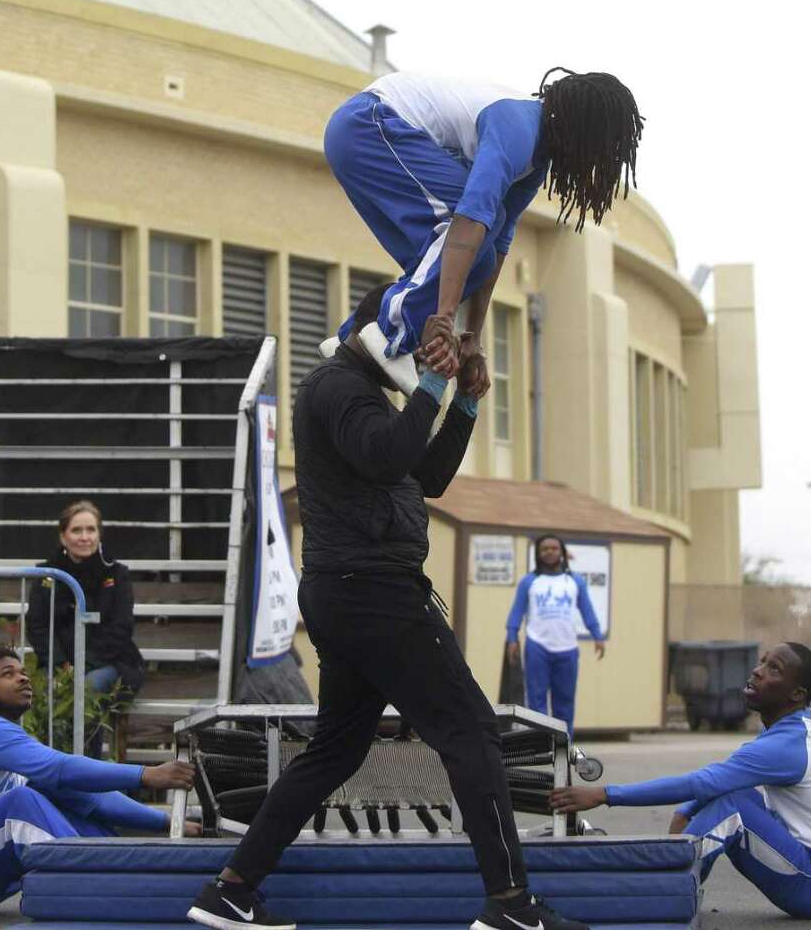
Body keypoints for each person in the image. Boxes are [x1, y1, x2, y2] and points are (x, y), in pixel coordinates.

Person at [186, 286, 588, 930]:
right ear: (385, 332)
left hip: (353, 592)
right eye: (421, 341)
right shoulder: (338, 389)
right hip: (374, 593)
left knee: (336, 750)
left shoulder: (361, 396)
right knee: (472, 732)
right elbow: (390, 454)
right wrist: (432, 384)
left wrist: (466, 403)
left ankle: (231, 890)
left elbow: (421, 476)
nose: (430, 352)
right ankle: (510, 905)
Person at [323, 68, 643, 384]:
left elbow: (498, 244)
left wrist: (473, 338)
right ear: (584, 128)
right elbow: (470, 220)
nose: (601, 162)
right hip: (369, 124)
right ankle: (388, 333)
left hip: (361, 136)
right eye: (603, 148)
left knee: (463, 258)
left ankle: (353, 337)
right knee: (469, 236)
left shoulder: (534, 160)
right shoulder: (518, 128)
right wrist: (445, 317)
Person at [551, 643, 811, 921]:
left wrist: (605, 794)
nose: (757, 670)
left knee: (733, 808)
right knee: (736, 793)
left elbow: (703, 782)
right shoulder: (795, 726)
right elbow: (723, 778)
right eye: (762, 661)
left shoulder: (789, 745)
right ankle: (668, 882)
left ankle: (662, 893)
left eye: (773, 669)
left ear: (797, 694)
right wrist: (686, 810)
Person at [0, 646, 199, 917]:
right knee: (22, 802)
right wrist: (146, 775)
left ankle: (131, 883)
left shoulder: (10, 742)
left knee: (72, 804)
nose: (23, 677)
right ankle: (104, 892)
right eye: (8, 673)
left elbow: (87, 795)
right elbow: (60, 767)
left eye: (23, 671)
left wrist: (164, 823)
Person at [26, 499, 146, 750]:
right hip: (59, 665)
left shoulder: (117, 573)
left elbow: (121, 628)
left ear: (99, 534)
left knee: (85, 689)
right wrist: (60, 664)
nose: (84, 537)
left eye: (91, 530)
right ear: (63, 536)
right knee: (35, 693)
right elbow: (38, 626)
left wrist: (81, 665)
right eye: (76, 530)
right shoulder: (46, 574)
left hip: (112, 665)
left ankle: (87, 768)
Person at [505, 535, 604, 747]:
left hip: (567, 649)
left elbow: (587, 610)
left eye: (554, 548)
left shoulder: (574, 581)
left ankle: (563, 746)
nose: (550, 552)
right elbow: (516, 613)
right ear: (538, 554)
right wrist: (512, 638)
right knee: (536, 700)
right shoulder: (529, 582)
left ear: (561, 552)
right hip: (537, 646)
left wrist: (597, 635)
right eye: (545, 549)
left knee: (565, 703)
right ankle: (540, 745)